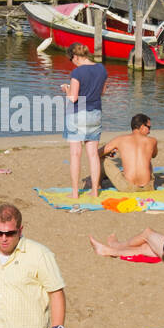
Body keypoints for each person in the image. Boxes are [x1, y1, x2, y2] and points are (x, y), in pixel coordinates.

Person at [61, 43, 107, 207]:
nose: (72, 62)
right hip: (95, 113)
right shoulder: (102, 69)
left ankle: (75, 193)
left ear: (75, 56)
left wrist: (66, 90)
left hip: (77, 114)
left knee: (75, 154)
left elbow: (73, 98)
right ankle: (95, 190)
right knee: (93, 154)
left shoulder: (77, 72)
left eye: (71, 59)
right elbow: (102, 92)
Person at [99, 113, 157, 192]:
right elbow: (154, 155)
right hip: (148, 188)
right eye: (149, 127)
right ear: (142, 127)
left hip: (127, 188)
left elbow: (97, 153)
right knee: (147, 158)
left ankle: (98, 184)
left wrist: (107, 154)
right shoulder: (152, 141)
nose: (149, 131)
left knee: (102, 160)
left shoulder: (120, 140)